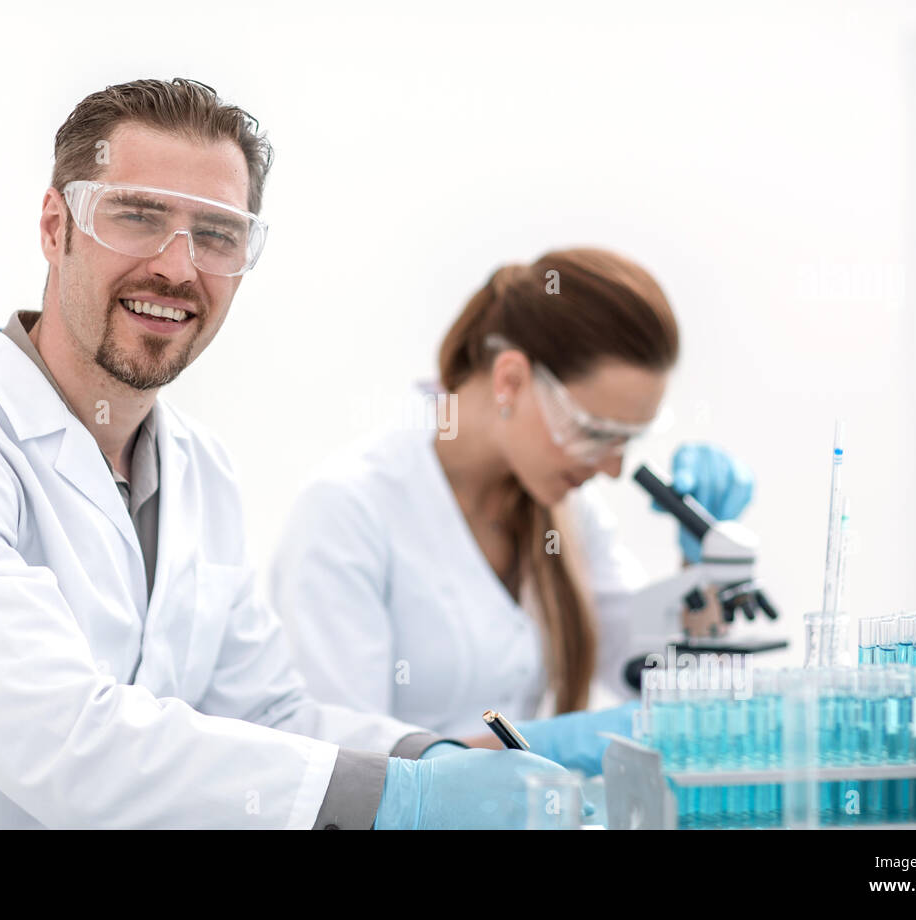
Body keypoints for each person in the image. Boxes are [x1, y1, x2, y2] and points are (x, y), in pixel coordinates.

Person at [0, 78, 579, 830]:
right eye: (136, 216)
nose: (176, 264)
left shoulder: (200, 469)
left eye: (216, 235)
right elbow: (69, 743)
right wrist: (399, 799)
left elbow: (266, 713)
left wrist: (433, 754)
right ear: (56, 226)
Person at [269, 249, 754, 767]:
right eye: (596, 433)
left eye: (629, 440)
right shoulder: (350, 510)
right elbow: (338, 760)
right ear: (511, 382)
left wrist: (699, 581)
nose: (614, 469)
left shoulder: (570, 512)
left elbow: (646, 671)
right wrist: (549, 748)